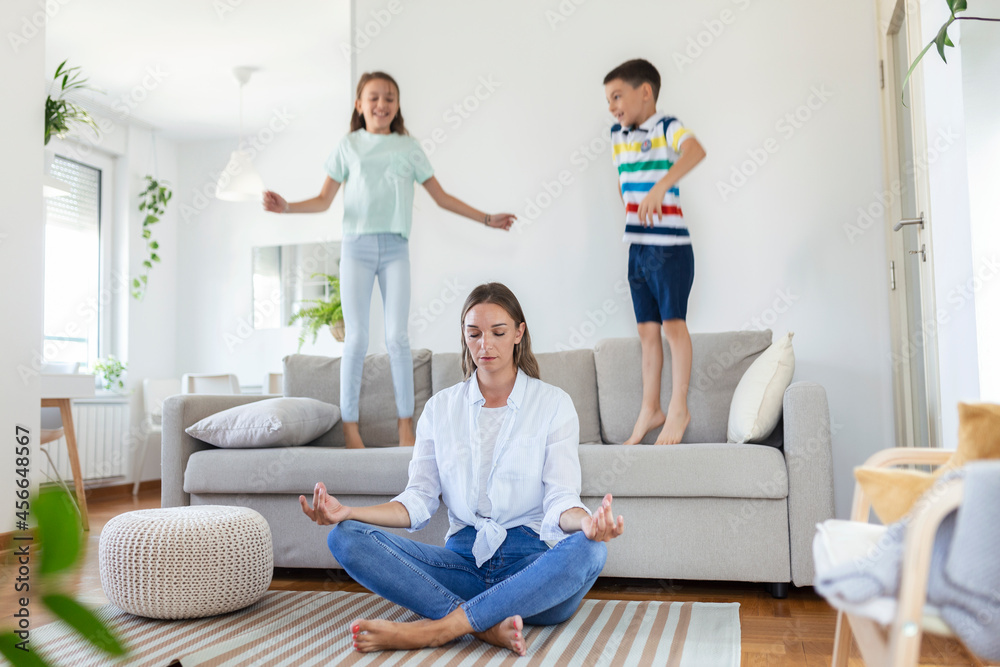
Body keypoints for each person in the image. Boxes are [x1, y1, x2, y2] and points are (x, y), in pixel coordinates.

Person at [299, 282, 625, 656]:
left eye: (498, 332)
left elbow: (561, 498)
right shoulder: (440, 408)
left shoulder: (553, 403)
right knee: (343, 538)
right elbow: (418, 499)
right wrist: (349, 512)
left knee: (592, 551)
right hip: (460, 564)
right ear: (464, 337)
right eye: (474, 334)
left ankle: (439, 629)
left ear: (519, 333)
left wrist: (586, 523)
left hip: (529, 570)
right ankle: (486, 627)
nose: (485, 344)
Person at [263, 72, 516, 449]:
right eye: (374, 97)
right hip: (357, 248)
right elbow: (323, 200)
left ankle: (405, 426)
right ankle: (350, 427)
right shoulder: (349, 146)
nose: (382, 104)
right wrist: (286, 208)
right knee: (356, 338)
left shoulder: (408, 148)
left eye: (389, 98)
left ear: (397, 106)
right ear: (359, 104)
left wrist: (486, 218)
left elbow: (442, 197)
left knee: (397, 337)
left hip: (396, 248)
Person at [604, 59, 707, 446]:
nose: (612, 107)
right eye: (608, 100)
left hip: (670, 247)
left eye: (617, 96)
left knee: (672, 327)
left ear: (644, 92)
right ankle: (651, 408)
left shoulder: (667, 127)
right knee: (647, 331)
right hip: (638, 246)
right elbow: (623, 181)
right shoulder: (617, 135)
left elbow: (695, 151)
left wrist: (661, 187)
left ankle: (678, 407)